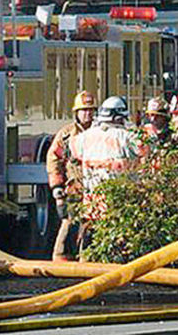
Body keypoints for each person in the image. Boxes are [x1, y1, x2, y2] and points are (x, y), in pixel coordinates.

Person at [68, 96, 140, 224]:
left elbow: (71, 153)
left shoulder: (83, 137)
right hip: (121, 205)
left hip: (93, 206)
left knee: (91, 241)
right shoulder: (127, 137)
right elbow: (147, 149)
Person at [45, 90, 97, 261]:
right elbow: (54, 161)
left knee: (92, 224)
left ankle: (87, 258)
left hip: (96, 187)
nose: (87, 114)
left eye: (90, 110)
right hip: (74, 188)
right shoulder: (66, 135)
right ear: (76, 112)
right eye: (84, 110)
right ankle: (61, 256)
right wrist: (57, 189)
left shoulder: (99, 134)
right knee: (69, 221)